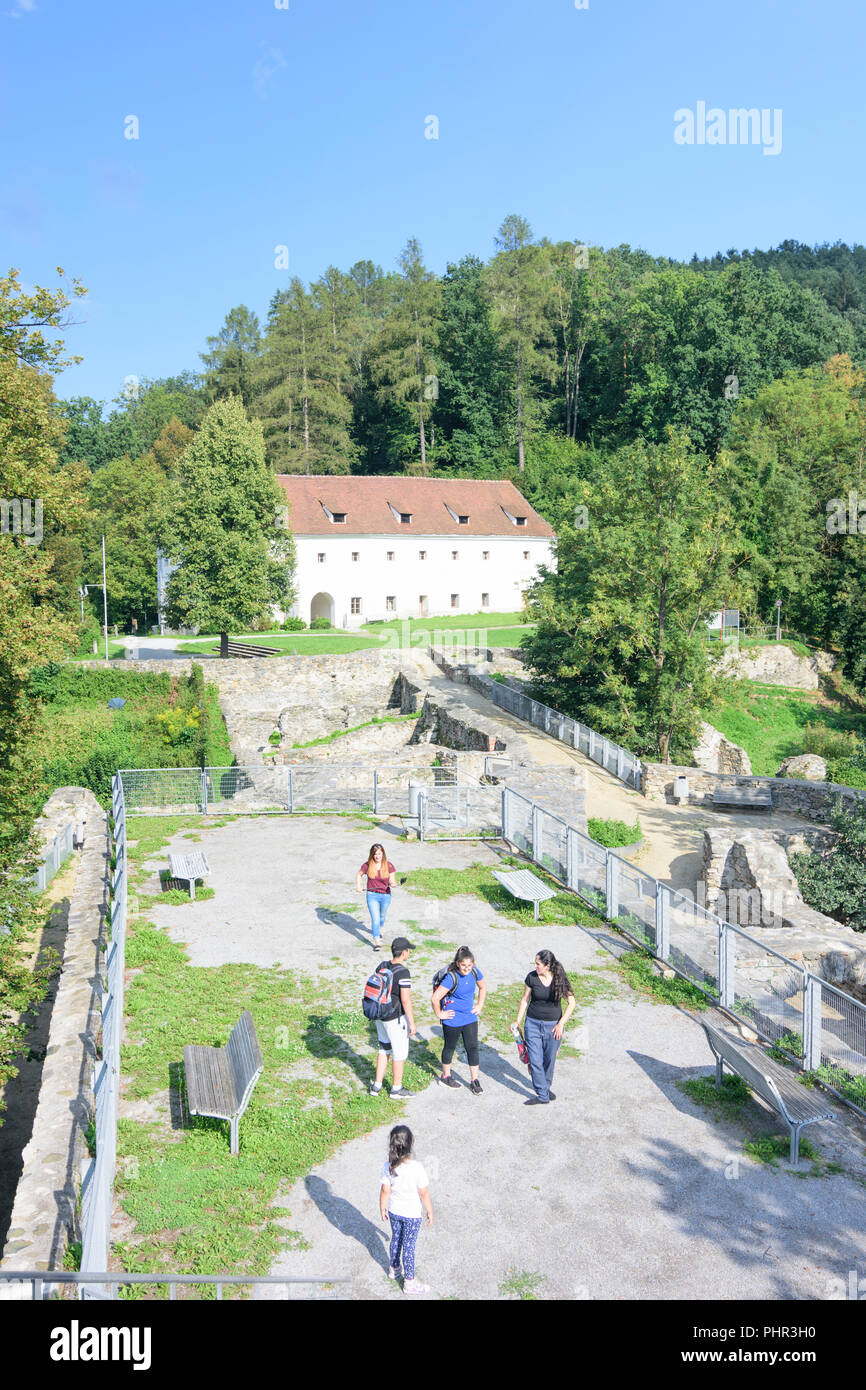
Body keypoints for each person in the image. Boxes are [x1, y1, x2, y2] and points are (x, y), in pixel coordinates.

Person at [513, 949, 576, 1105]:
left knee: (549, 1060)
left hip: (553, 1026)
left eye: (538, 964)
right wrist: (518, 1021)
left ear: (547, 965)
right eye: (535, 963)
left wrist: (561, 1024)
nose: (535, 966)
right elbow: (524, 1000)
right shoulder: (532, 978)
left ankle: (545, 1089)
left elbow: (571, 1003)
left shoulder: (559, 978)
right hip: (532, 1024)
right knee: (534, 1060)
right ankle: (542, 1094)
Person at [379, 1123, 433, 1294]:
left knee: (396, 1239)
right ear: (411, 1144)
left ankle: (394, 1269)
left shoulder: (389, 1167)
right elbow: (423, 1193)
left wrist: (382, 1208)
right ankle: (410, 1282)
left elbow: (385, 1190)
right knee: (409, 1247)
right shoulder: (417, 1168)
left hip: (394, 1211)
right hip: (412, 1215)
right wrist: (430, 1211)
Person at [431, 947, 487, 1094]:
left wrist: (480, 1005)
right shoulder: (451, 977)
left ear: (473, 964)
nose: (466, 969)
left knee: (472, 1048)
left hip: (469, 1017)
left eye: (469, 965)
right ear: (457, 963)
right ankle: (446, 1076)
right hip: (452, 1019)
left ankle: (475, 1080)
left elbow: (483, 987)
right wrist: (440, 1014)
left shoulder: (475, 972)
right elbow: (435, 998)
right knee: (450, 1047)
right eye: (463, 965)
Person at [370, 937, 418, 1099]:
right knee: (399, 1053)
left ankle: (376, 1086)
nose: (409, 952)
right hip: (395, 1018)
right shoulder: (403, 972)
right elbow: (405, 999)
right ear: (404, 953)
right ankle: (396, 1089)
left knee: (384, 1048)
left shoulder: (382, 966)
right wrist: (411, 1022)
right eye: (408, 950)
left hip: (380, 1016)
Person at [356, 843, 397, 949]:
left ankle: (379, 929)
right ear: (372, 855)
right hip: (372, 895)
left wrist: (393, 883)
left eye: (379, 854)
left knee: (382, 917)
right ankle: (377, 941)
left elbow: (392, 880)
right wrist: (358, 886)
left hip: (385, 895)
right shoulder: (368, 865)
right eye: (375, 854)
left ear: (383, 854)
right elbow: (358, 874)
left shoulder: (389, 865)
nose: (377, 856)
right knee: (375, 918)